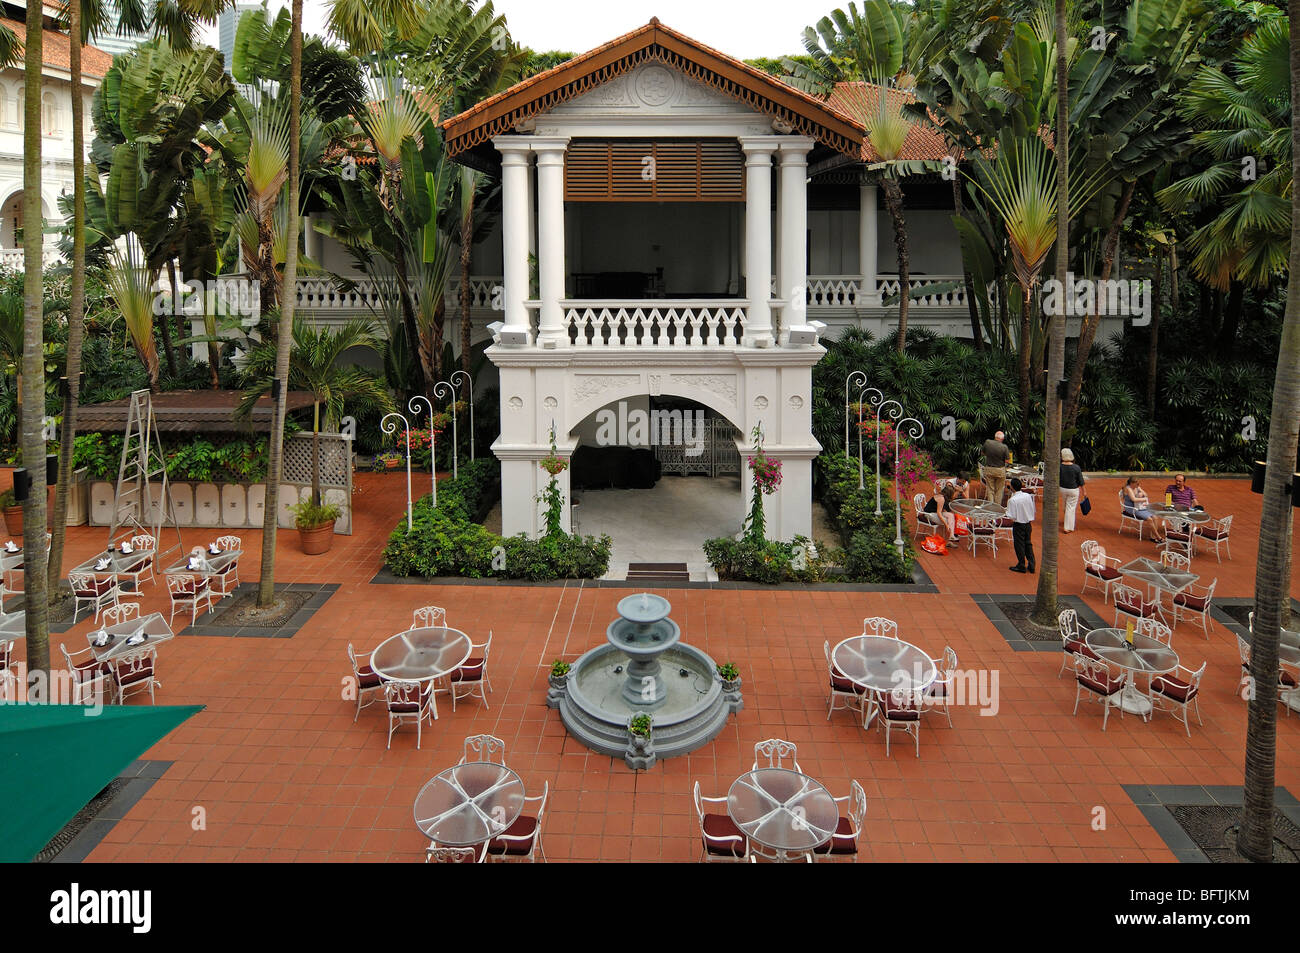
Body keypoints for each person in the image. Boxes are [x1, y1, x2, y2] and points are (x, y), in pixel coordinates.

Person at [1122, 477, 1167, 542]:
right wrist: (1143, 499)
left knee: (1155, 517)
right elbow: (1134, 499)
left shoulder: (1137, 487)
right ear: (1132, 483)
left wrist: (1141, 492)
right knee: (1150, 519)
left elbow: (1146, 495)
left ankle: (1153, 537)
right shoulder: (1128, 489)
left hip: (1141, 507)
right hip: (1132, 508)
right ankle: (1159, 538)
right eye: (1136, 484)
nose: (1138, 485)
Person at [1006, 477, 1035, 573]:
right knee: (1028, 544)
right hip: (1028, 523)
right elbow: (1032, 508)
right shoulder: (1027, 496)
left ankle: (1021, 565)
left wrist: (1006, 511)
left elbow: (1012, 516)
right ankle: (1032, 564)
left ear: (1012, 488)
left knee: (1019, 545)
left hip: (1019, 525)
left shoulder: (1012, 500)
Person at [1059, 448, 1086, 533]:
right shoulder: (1076, 467)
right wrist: (1084, 491)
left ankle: (1067, 521)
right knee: (1070, 508)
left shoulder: (1059, 466)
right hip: (1073, 490)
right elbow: (1081, 481)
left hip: (1062, 489)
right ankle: (1068, 527)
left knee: (1065, 505)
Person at [981, 431, 1011, 504]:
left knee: (990, 489)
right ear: (1002, 439)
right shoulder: (1004, 447)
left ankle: (991, 506)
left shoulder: (987, 442)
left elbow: (982, 453)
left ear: (995, 437)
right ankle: (997, 507)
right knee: (999, 490)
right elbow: (1007, 460)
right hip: (1000, 470)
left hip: (989, 469)